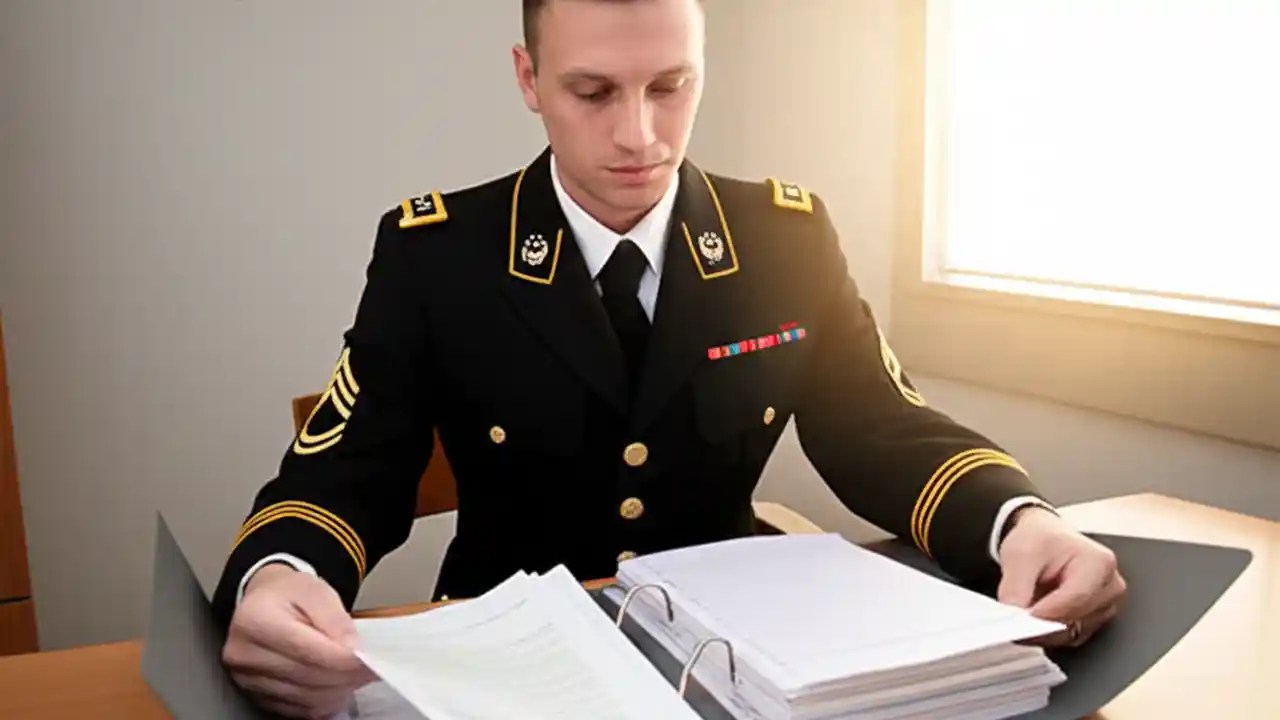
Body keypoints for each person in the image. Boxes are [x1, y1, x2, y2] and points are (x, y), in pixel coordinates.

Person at [213, 0, 1128, 716]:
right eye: (594, 91)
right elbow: (346, 466)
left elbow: (880, 428)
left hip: (744, 662)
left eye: (671, 85)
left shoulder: (785, 239)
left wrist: (1022, 523)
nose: (640, 136)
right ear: (528, 78)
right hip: (511, 662)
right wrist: (283, 575)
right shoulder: (438, 255)